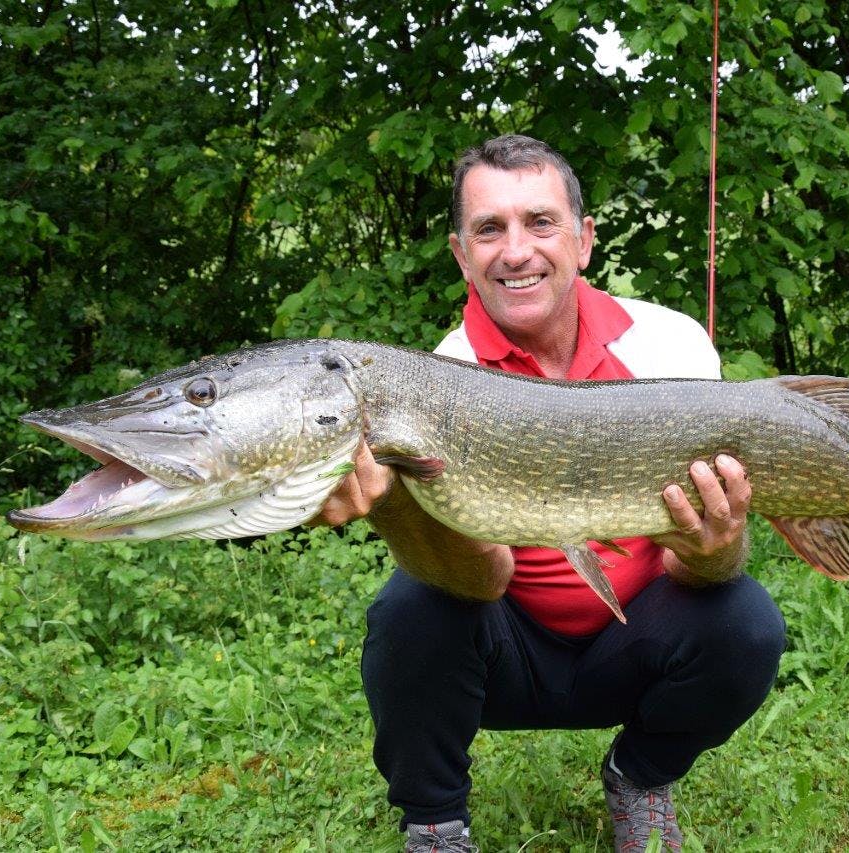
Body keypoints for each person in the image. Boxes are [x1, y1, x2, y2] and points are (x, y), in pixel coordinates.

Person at [312, 135, 786, 852]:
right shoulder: (443, 376)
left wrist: (715, 547)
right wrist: (398, 508)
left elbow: (700, 568)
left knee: (743, 616)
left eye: (539, 222)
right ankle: (436, 822)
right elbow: (482, 576)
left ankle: (640, 775)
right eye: (489, 229)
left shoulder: (670, 345)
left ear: (585, 239)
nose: (516, 250)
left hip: (636, 640)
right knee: (409, 611)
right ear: (460, 253)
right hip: (508, 650)